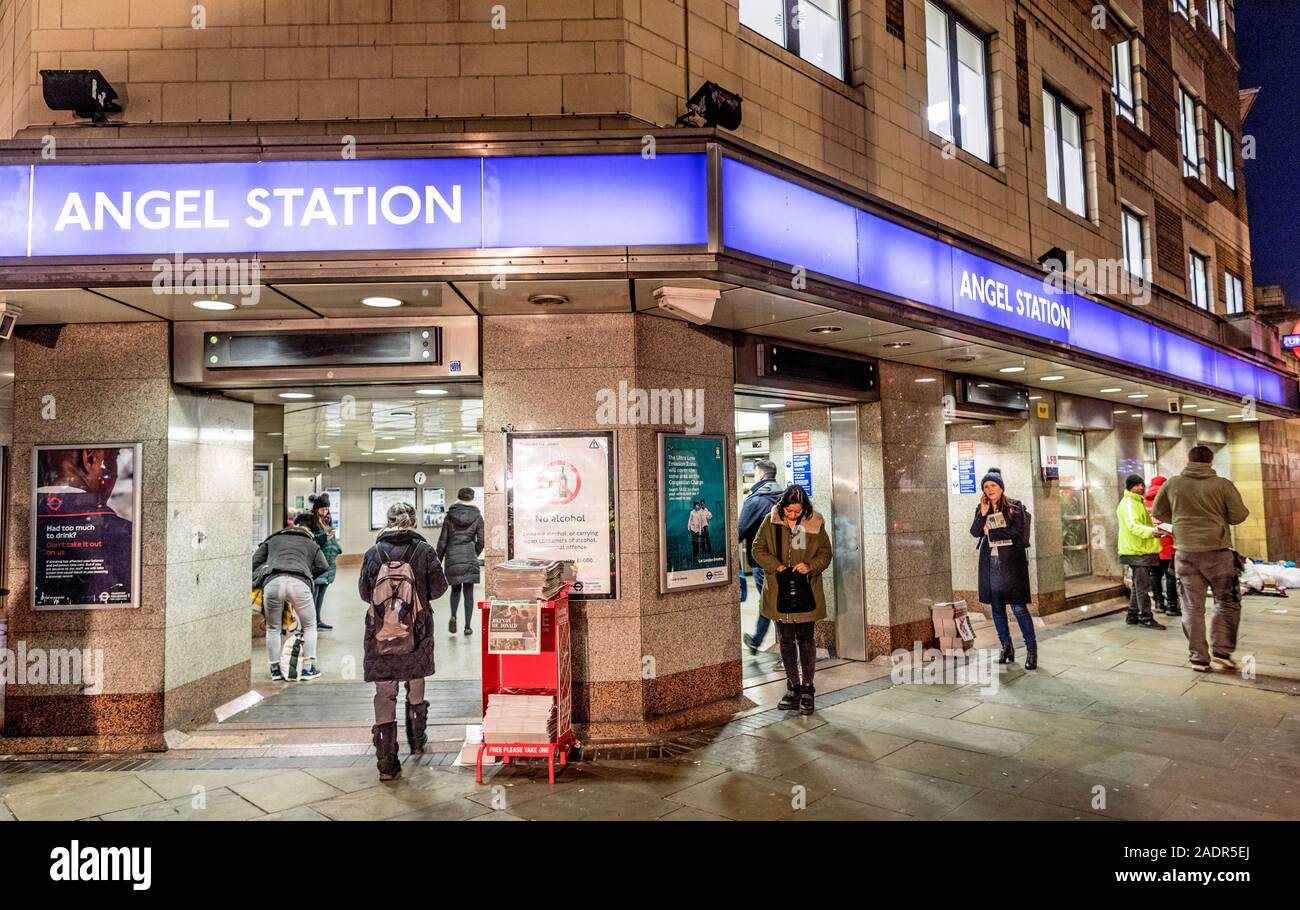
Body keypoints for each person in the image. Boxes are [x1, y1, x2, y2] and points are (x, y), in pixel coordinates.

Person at [359, 502, 449, 780]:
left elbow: (364, 592)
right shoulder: (423, 551)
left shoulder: (373, 552)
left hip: (381, 631)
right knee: (415, 675)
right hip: (417, 628)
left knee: (385, 690)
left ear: (387, 521)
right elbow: (439, 587)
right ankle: (418, 740)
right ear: (413, 521)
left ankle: (386, 762)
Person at [1151, 445, 1250, 672]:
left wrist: (1180, 520)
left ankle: (1198, 658)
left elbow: (1158, 512)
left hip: (1185, 553)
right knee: (1227, 602)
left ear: (1188, 459)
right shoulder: (1223, 485)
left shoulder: (1172, 483)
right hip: (1218, 552)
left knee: (1191, 607)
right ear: (1210, 461)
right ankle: (1222, 651)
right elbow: (1239, 516)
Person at [750, 484, 833, 716]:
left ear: (804, 508)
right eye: (789, 511)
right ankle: (792, 686)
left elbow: (825, 553)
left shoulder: (815, 522)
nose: (793, 515)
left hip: (806, 590)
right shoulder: (771, 520)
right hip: (779, 591)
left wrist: (810, 566)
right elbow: (757, 549)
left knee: (806, 639)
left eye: (797, 511)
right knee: (785, 640)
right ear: (782, 507)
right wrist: (775, 565)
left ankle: (808, 688)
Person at [969, 468, 1037, 669]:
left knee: (1018, 608)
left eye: (993, 485)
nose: (989, 489)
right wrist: (982, 515)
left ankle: (1031, 650)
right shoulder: (982, 507)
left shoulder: (1015, 507)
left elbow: (1016, 531)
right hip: (991, 565)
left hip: (1012, 565)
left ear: (1001, 487)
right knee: (997, 608)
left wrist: (993, 533)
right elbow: (974, 532)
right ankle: (1006, 646)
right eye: (986, 486)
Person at [253, 513, 328, 682]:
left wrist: (266, 572)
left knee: (273, 628)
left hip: (273, 583)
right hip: (299, 584)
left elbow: (253, 563)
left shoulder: (273, 540)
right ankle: (308, 668)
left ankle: (275, 670)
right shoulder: (311, 543)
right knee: (310, 625)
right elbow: (323, 566)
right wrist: (307, 572)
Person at [739, 460, 784, 654]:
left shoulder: (757, 499)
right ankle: (757, 641)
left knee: (772, 603)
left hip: (761, 561)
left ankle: (787, 649)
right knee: (772, 601)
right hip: (783, 560)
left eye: (756, 473)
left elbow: (740, 529)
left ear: (762, 475)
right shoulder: (784, 496)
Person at [436, 487, 485, 635]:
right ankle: (468, 626)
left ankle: (453, 615)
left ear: (458, 497)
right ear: (472, 498)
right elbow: (481, 541)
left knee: (455, 590)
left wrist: (438, 559)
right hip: (469, 554)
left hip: (452, 555)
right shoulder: (477, 516)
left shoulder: (449, 516)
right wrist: (474, 553)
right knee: (468, 592)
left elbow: (443, 540)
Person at [1144, 476, 1180, 617]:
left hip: (1152, 544)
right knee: (1170, 575)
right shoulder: (1169, 500)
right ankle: (1172, 605)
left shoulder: (1144, 503)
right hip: (1169, 544)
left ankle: (1159, 603)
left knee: (1155, 575)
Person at [306, 492, 342, 631]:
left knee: (321, 595)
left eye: (327, 508)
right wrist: (324, 537)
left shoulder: (327, 521)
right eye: (322, 508)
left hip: (328, 564)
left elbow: (330, 540)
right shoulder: (310, 522)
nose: (325, 511)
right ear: (316, 508)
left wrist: (338, 549)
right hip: (317, 564)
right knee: (313, 595)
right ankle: (310, 622)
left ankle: (317, 620)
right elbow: (311, 540)